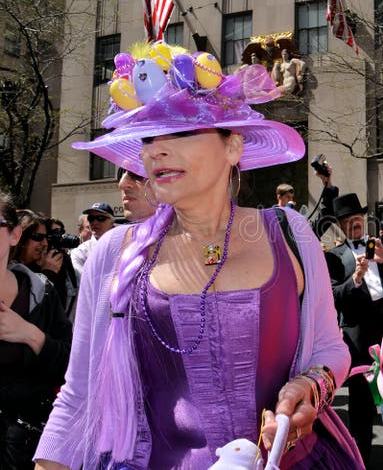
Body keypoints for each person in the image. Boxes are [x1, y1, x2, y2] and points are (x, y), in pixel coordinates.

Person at [33, 44, 362, 470]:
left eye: (181, 132)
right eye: (149, 137)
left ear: (233, 147)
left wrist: (310, 387)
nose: (155, 151)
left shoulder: (290, 233)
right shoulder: (114, 254)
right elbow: (79, 395)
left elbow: (328, 348)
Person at [324, 193, 383, 468]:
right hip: (359, 338)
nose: (355, 224)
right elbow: (334, 295)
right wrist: (356, 279)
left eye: (358, 218)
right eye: (348, 221)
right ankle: (360, 461)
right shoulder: (335, 257)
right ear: (340, 224)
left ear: (363, 219)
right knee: (361, 407)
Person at [0, 193, 72, 470]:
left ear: (15, 234)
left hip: (28, 447)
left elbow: (71, 369)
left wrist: (31, 335)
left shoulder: (42, 293)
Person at [69, 202, 115, 275]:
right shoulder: (80, 252)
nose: (95, 222)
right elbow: (84, 280)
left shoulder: (125, 245)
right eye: (91, 218)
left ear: (112, 222)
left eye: (101, 218)